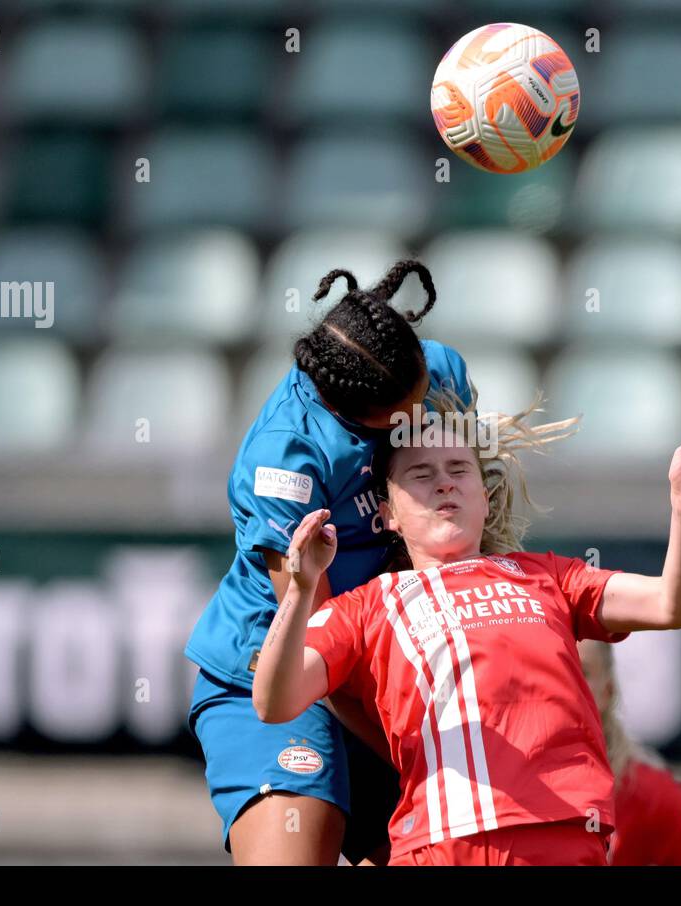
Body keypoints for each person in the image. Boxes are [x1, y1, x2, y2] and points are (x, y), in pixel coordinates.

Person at [252, 390, 681, 865]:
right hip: (442, 844)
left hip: (564, 837)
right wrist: (300, 590)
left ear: (486, 497)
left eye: (458, 469)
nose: (444, 482)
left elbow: (676, 604)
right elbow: (274, 702)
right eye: (421, 474)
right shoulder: (369, 605)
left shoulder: (548, 577)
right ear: (387, 514)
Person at [185, 260, 472, 865]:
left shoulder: (438, 373)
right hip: (277, 675)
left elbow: (472, 518)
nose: (420, 413)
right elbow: (316, 645)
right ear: (345, 409)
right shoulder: (285, 463)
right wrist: (407, 749)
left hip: (386, 671)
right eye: (399, 416)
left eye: (422, 394)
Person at [577, 640, 681, 865]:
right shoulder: (513, 783)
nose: (563, 685)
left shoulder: (643, 791)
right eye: (551, 668)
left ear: (607, 692)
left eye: (581, 672)